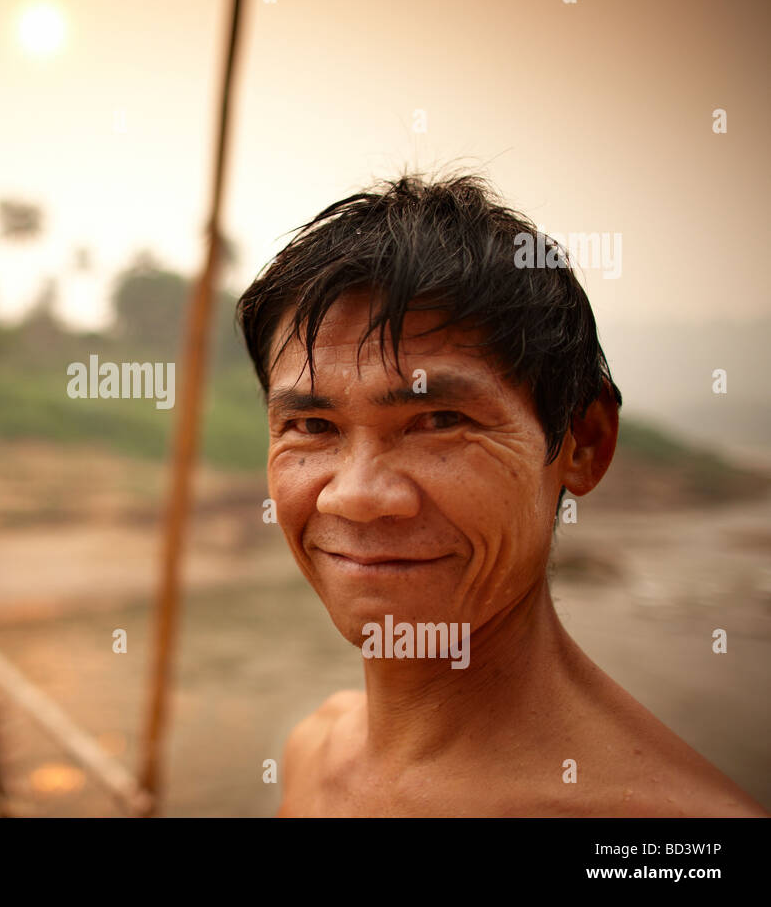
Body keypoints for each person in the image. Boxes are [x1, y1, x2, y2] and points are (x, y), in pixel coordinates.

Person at [236, 173, 766, 816]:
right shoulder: (314, 756)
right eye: (312, 427)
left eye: (438, 422)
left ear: (584, 442)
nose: (356, 497)